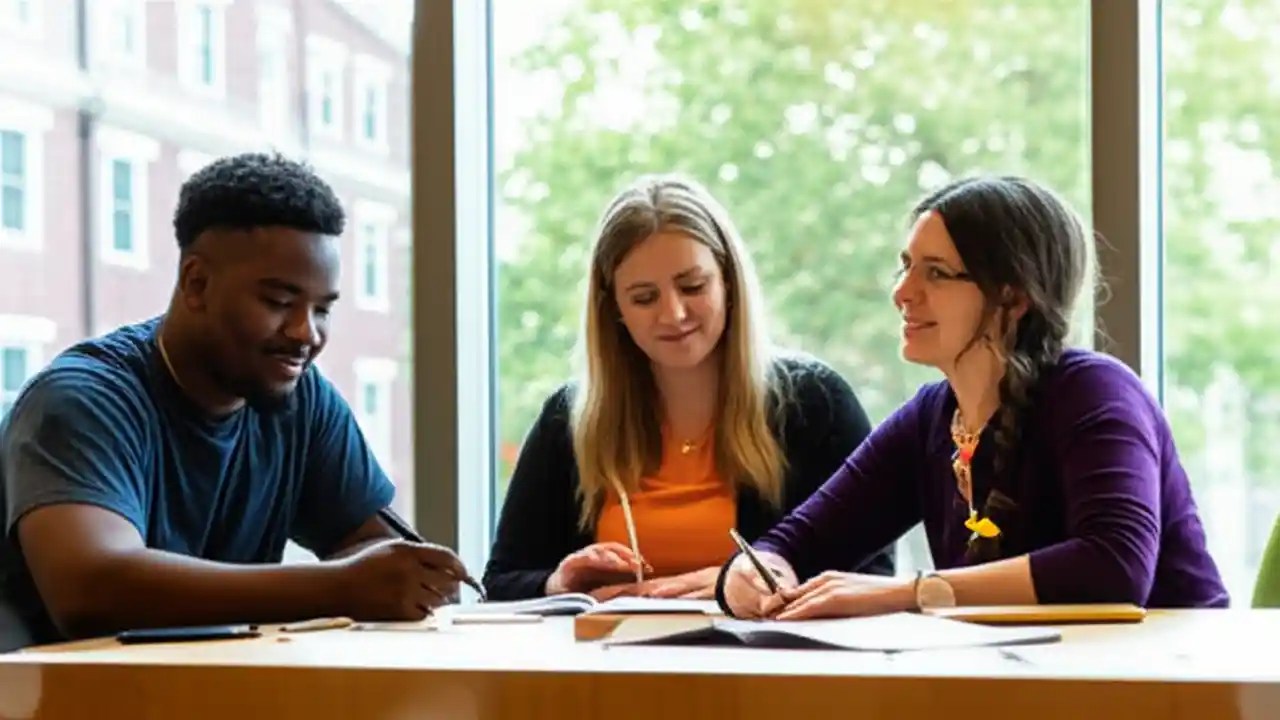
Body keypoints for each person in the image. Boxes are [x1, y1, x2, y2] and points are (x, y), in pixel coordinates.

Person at [0, 153, 472, 651]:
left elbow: (374, 549)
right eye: (279, 303)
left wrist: (401, 578)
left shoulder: (302, 399)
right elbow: (91, 590)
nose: (305, 334)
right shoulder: (83, 399)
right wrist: (340, 586)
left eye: (322, 309)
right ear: (196, 283)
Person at [721, 175, 1229, 620]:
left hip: (1169, 688)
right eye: (906, 266)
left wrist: (910, 593)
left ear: (1013, 297)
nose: (902, 292)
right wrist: (753, 572)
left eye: (936, 273)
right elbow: (797, 542)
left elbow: (1113, 567)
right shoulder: (930, 417)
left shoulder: (1095, 391)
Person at [483, 174, 894, 601]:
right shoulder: (570, 417)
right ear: (614, 311)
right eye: (644, 298)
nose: (674, 314)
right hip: (611, 666)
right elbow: (500, 583)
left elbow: (872, 576)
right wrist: (558, 585)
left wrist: (745, 588)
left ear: (729, 281)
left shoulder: (814, 403)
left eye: (693, 286)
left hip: (762, 666)